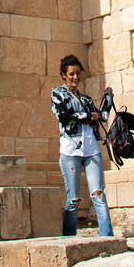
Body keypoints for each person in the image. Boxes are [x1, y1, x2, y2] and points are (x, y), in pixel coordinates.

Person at [50, 54, 113, 238]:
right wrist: (87, 116)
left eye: (78, 74)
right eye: (71, 74)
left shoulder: (85, 99)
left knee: (98, 194)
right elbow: (64, 116)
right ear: (64, 75)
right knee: (74, 199)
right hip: (71, 149)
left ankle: (107, 236)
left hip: (91, 148)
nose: (75, 77)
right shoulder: (58, 93)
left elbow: (102, 116)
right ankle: (69, 238)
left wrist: (108, 98)